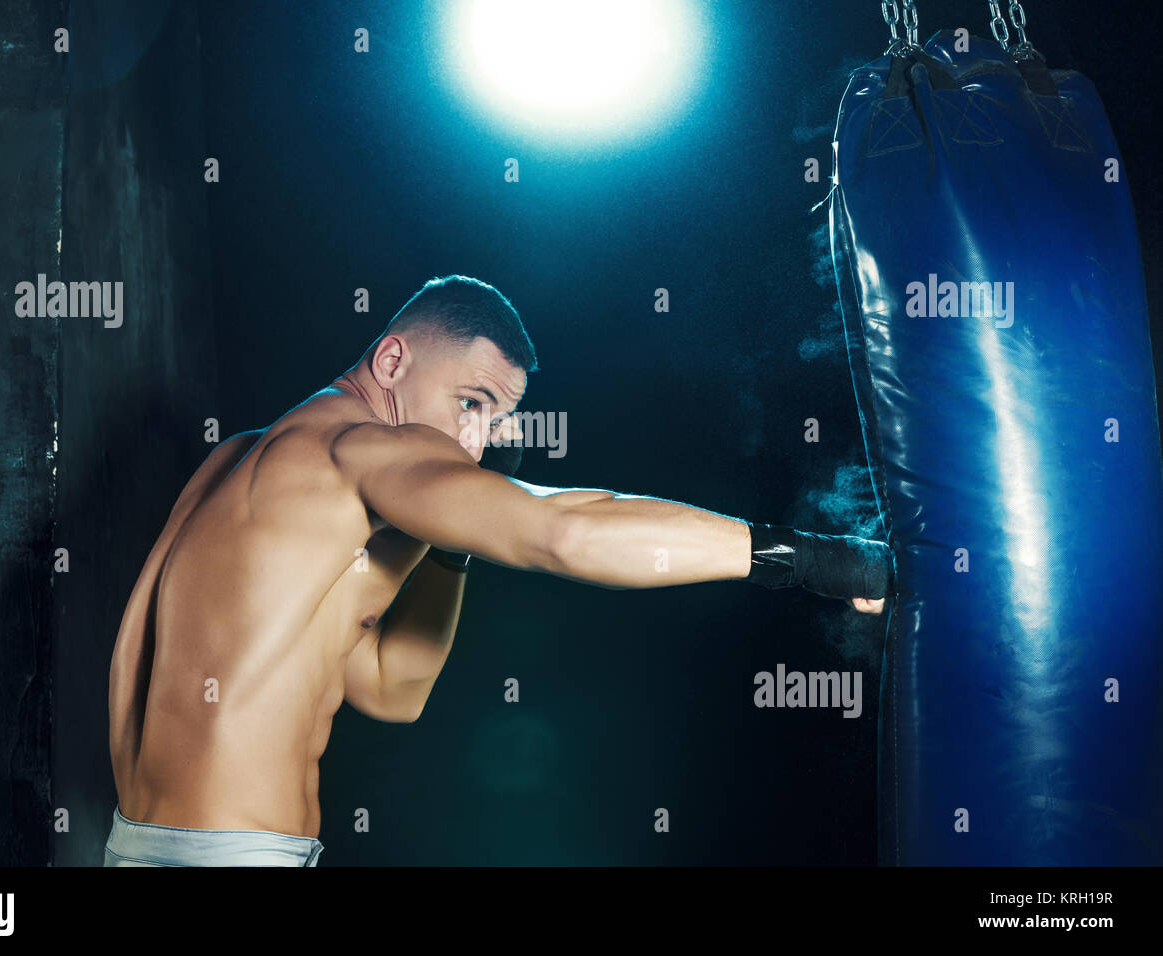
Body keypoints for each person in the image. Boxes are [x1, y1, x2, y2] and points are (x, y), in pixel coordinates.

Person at [104, 274, 892, 866]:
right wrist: (825, 560)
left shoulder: (241, 460)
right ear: (391, 359)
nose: (475, 441)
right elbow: (565, 531)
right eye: (471, 402)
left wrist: (450, 543)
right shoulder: (361, 448)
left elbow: (389, 689)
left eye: (496, 418)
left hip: (142, 846)